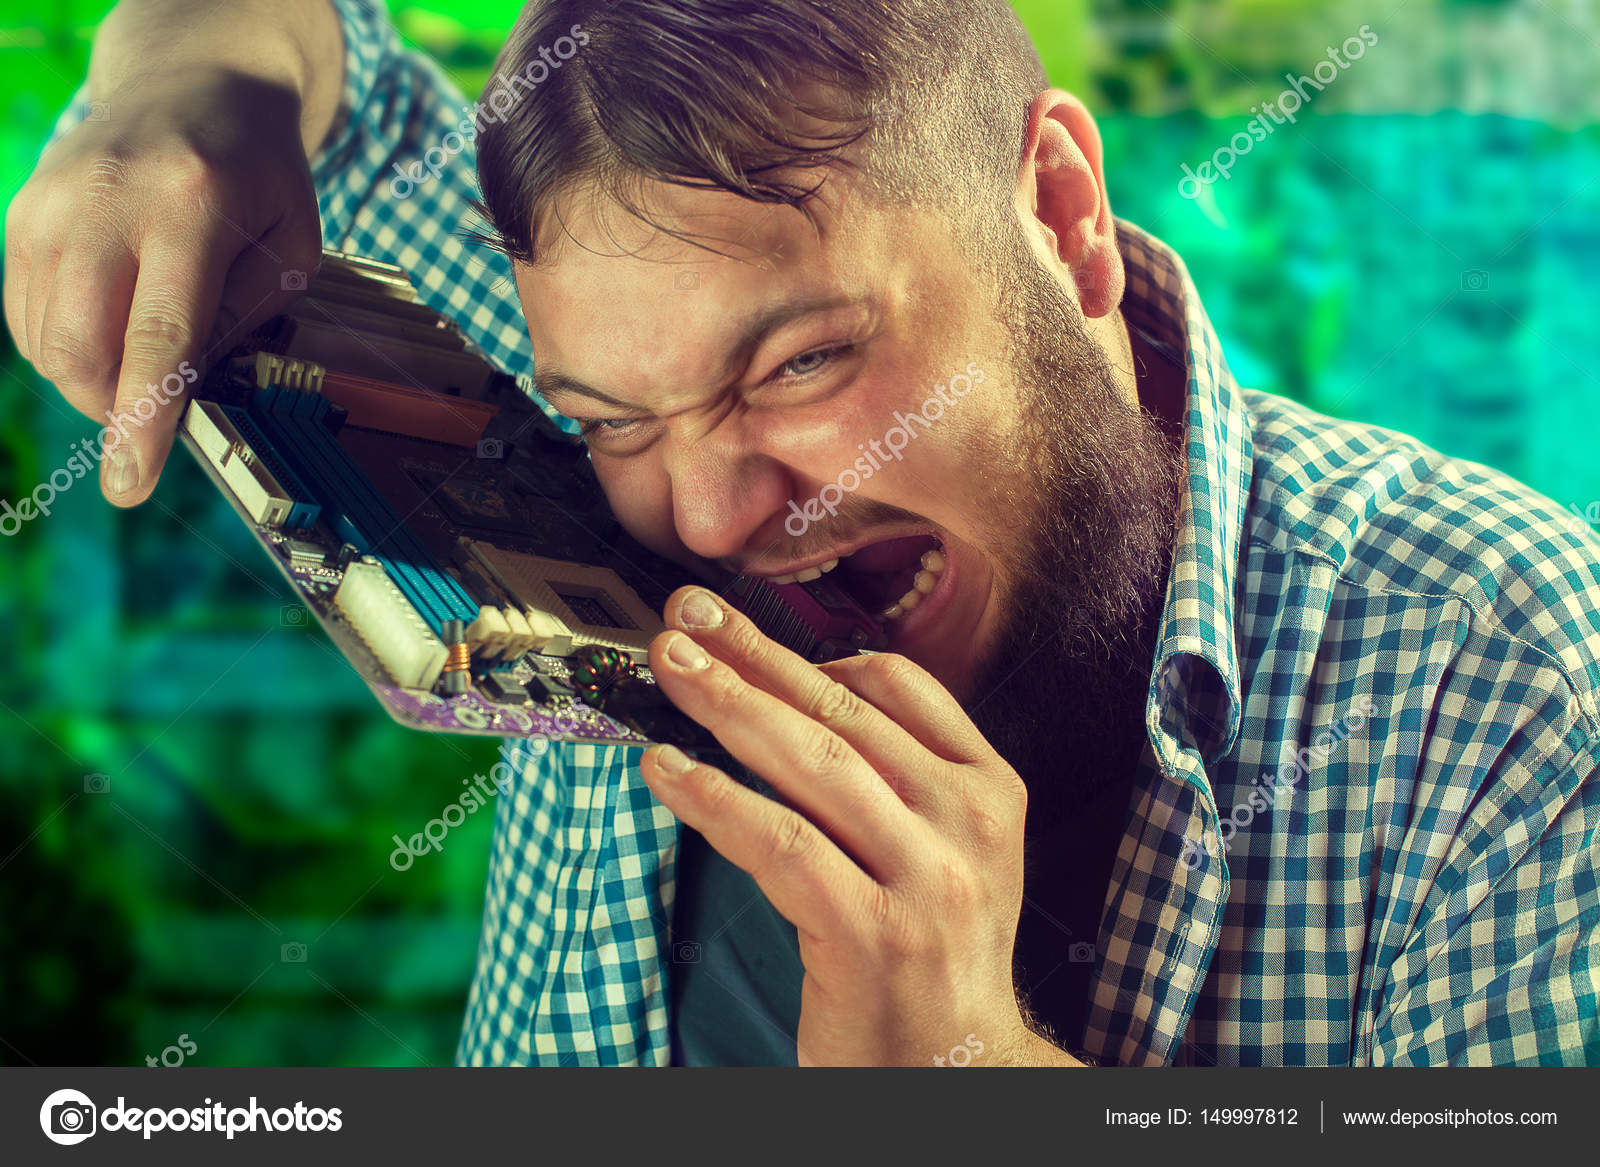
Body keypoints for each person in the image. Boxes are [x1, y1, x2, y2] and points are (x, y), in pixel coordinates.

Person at [8, 0, 1599, 1067]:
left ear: (1057, 216)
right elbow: (298, 50)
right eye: (612, 418)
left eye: (803, 364)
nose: (700, 521)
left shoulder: (1511, 684)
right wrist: (170, 84)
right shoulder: (593, 406)